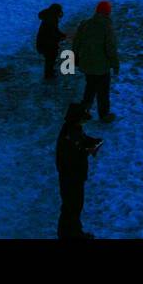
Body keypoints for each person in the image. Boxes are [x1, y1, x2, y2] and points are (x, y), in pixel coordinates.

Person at [56, 102, 101, 239]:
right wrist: (88, 150)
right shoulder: (70, 136)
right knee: (72, 207)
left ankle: (72, 233)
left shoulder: (72, 129)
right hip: (71, 179)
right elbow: (74, 157)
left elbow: (82, 140)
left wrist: (92, 142)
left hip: (73, 178)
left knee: (72, 207)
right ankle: (71, 235)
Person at [72, 0, 119, 122]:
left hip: (87, 64)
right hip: (102, 67)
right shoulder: (107, 27)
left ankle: (83, 111)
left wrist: (75, 58)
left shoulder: (85, 24)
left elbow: (76, 43)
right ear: (108, 12)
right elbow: (110, 48)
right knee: (103, 92)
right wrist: (115, 64)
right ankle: (104, 115)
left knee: (90, 87)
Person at [36, 3, 66, 80]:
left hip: (44, 42)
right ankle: (48, 75)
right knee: (50, 58)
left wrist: (62, 35)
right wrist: (61, 37)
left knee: (50, 58)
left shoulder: (49, 17)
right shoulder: (51, 19)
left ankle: (49, 73)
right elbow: (52, 33)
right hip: (47, 43)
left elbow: (54, 31)